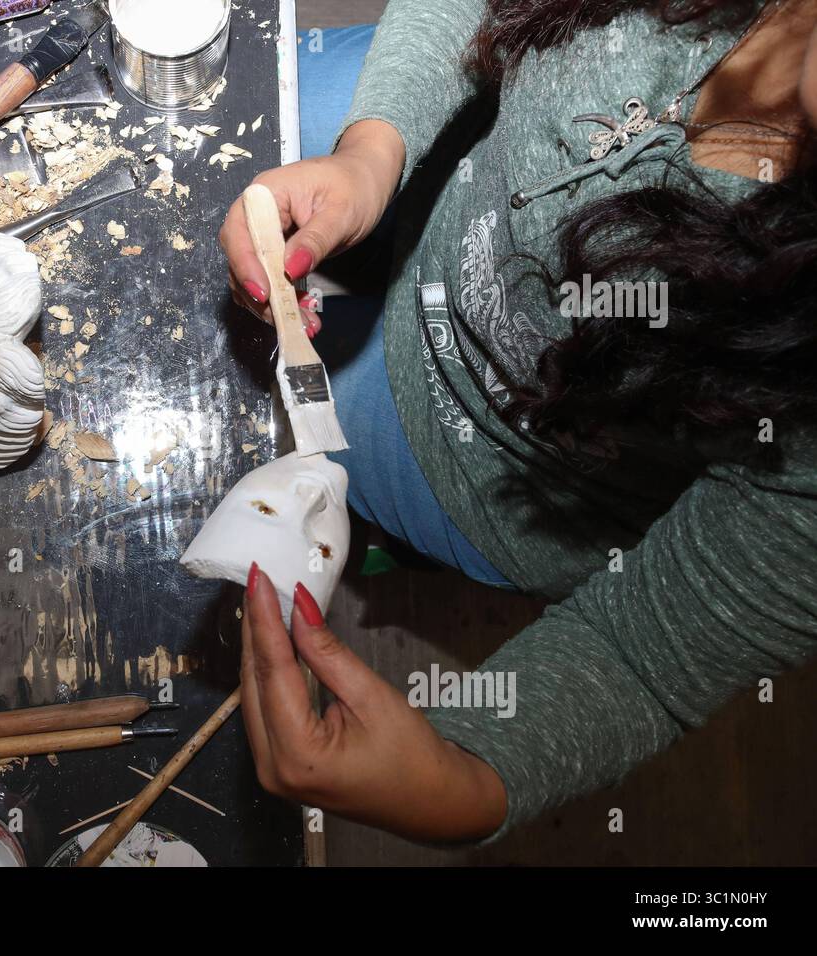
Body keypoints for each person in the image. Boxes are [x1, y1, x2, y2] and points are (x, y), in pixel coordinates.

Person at [220, 0, 817, 842]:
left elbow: (642, 659)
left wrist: (461, 787)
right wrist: (373, 150)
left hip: (476, 467)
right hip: (441, 152)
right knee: (211, 116)